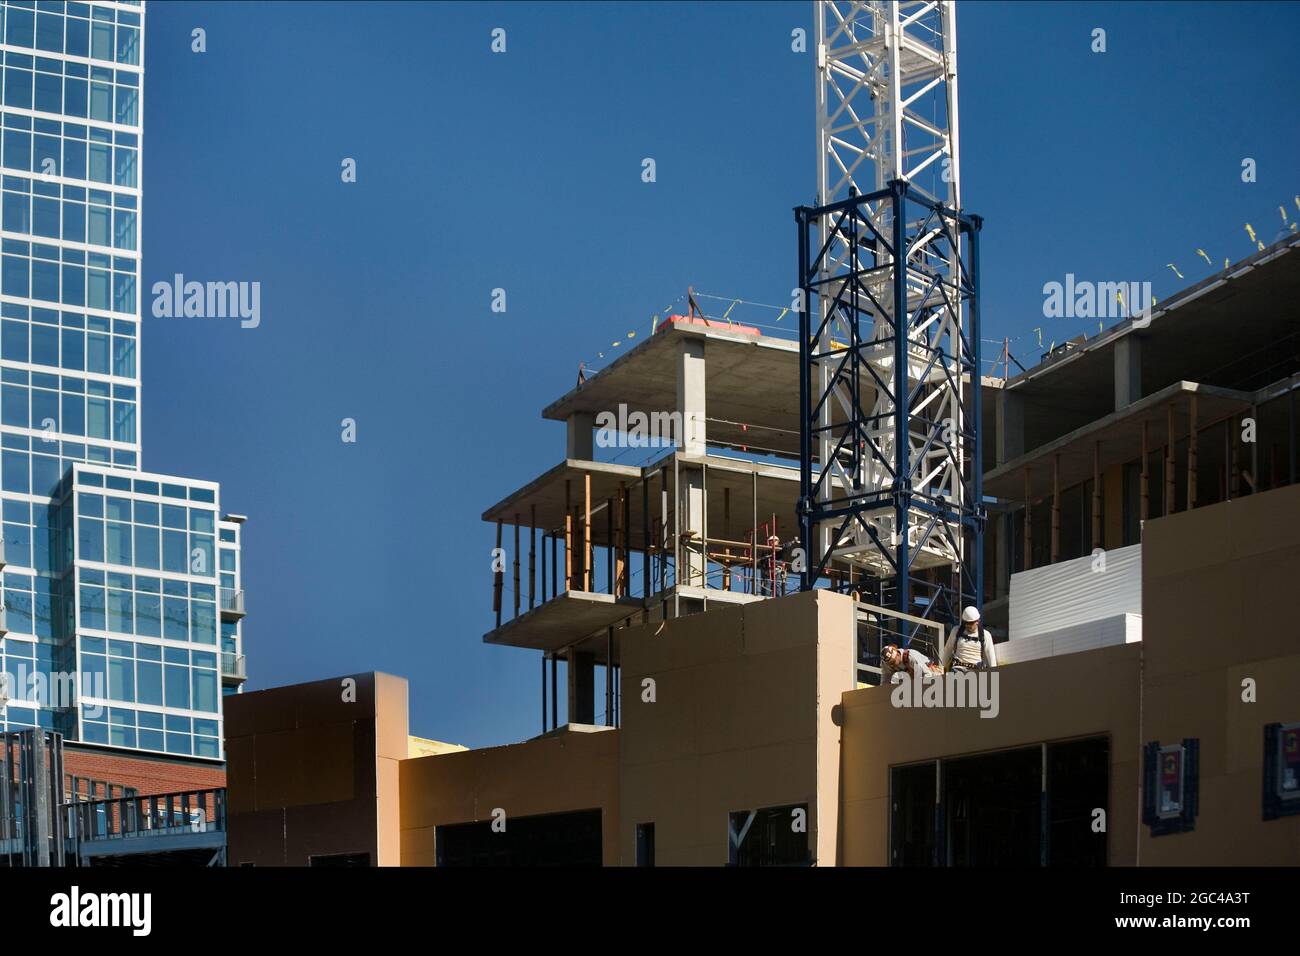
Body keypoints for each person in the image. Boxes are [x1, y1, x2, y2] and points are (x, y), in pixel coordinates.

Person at [941, 606, 997, 672]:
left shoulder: (985, 635)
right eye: (966, 623)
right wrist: (942, 667)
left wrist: (994, 674)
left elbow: (991, 656)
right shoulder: (956, 631)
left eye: (970, 623)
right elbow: (948, 649)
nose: (968, 625)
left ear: (977, 621)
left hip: (975, 670)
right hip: (957, 669)